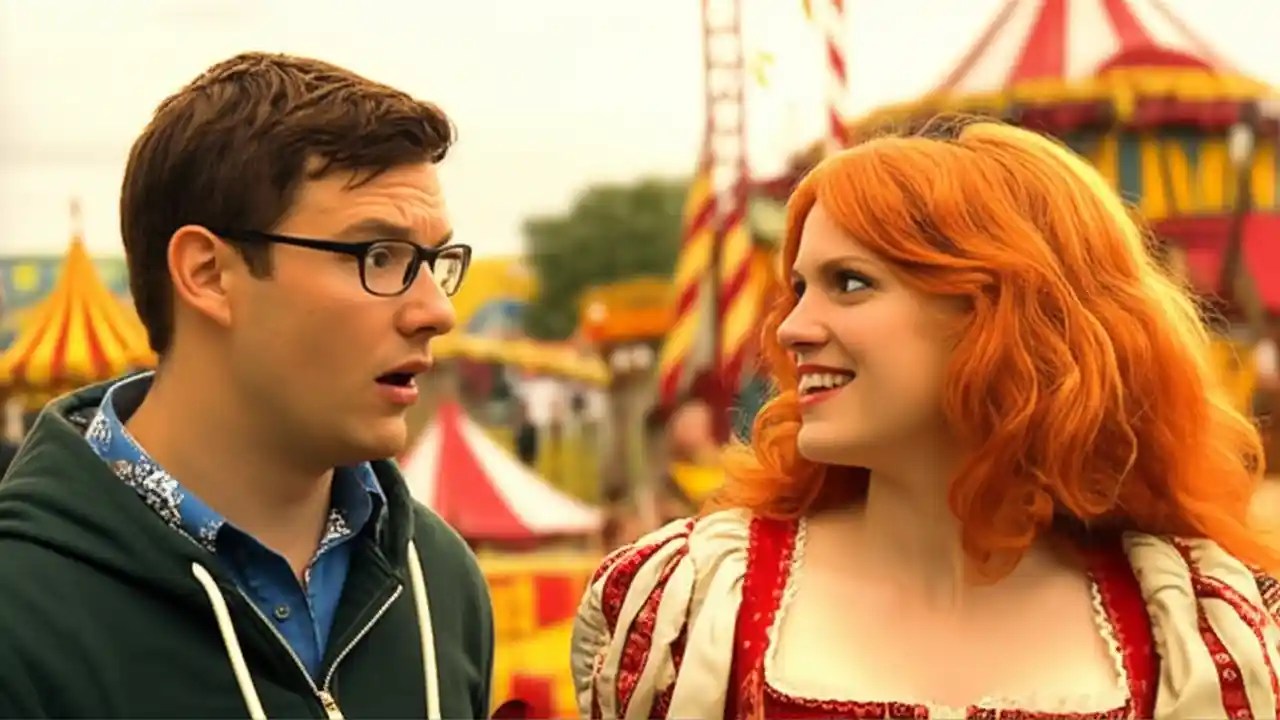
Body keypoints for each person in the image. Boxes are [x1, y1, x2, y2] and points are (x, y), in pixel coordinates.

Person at [571, 118, 1280, 719]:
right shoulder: (699, 612)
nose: (791, 328)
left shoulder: (1191, 630)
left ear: (999, 318)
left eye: (850, 283)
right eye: (798, 287)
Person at [0, 52, 492, 718]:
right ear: (207, 274)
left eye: (436, 262)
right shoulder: (26, 613)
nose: (436, 311)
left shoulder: (438, 578)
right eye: (379, 256)